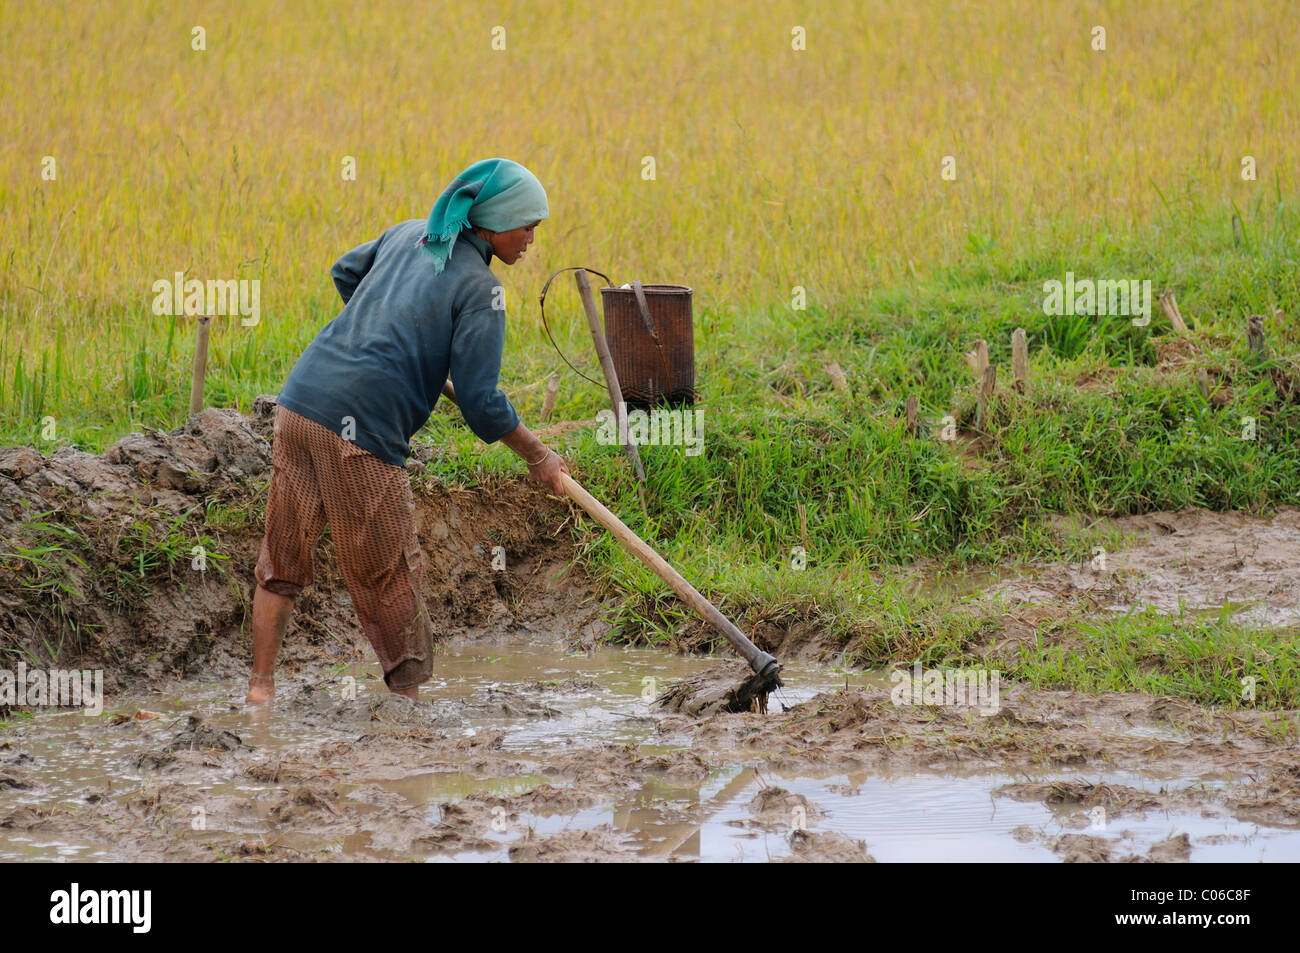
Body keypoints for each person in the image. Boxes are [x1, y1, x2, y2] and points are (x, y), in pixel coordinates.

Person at [246, 157, 570, 704]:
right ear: (493, 224)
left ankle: (260, 692)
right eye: (528, 226)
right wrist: (540, 457)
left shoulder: (406, 235)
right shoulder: (481, 289)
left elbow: (345, 272)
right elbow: (481, 402)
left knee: (284, 554)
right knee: (391, 572)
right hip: (361, 432)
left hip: (298, 404)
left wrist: (384, 335)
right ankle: (410, 714)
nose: (532, 240)